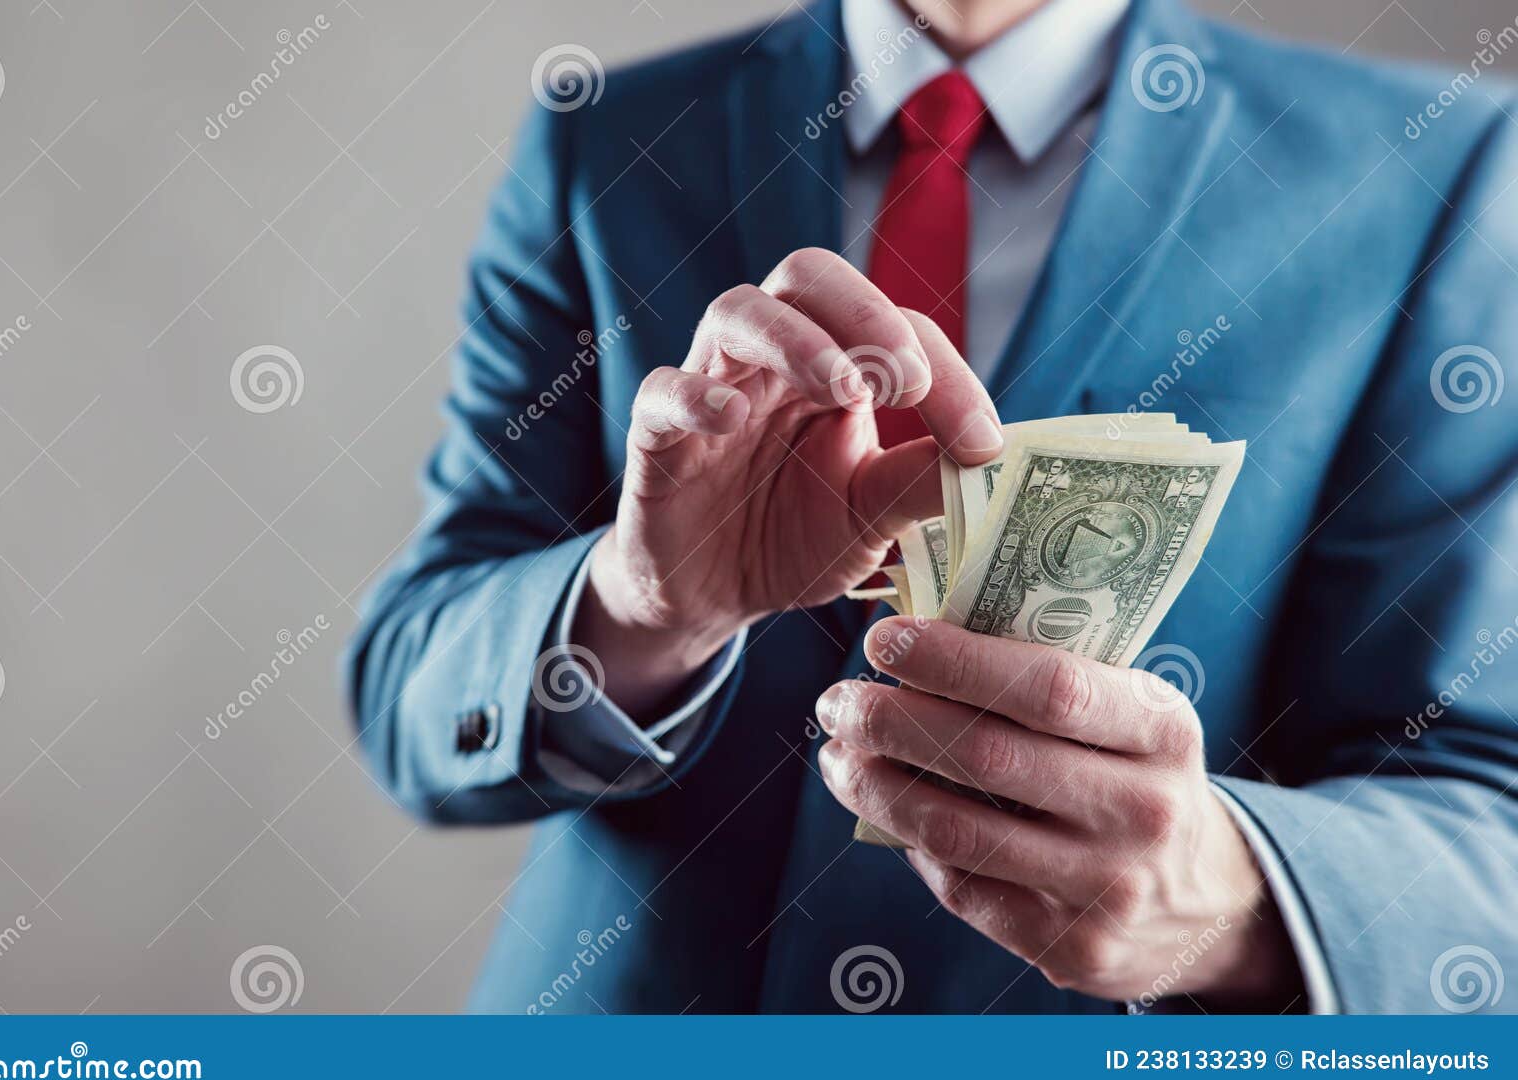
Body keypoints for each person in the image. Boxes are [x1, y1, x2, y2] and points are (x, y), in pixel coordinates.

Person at [347, 0, 1518, 1013]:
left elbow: (1483, 810)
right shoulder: (610, 138)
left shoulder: (1427, 167)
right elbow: (412, 684)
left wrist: (1233, 895)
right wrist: (643, 605)